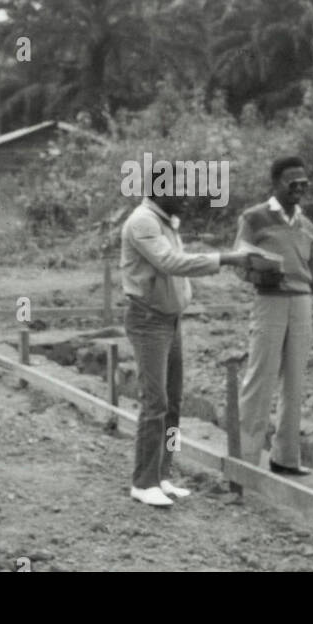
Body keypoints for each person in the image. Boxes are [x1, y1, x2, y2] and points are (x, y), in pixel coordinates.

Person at [120, 183, 251, 506]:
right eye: (179, 191)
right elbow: (171, 262)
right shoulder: (143, 221)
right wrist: (228, 258)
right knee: (155, 402)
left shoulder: (166, 221)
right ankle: (143, 481)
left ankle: (162, 475)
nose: (186, 197)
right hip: (149, 320)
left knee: (173, 402)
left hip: (169, 320)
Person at [234, 155, 313, 476]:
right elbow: (239, 263)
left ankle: (285, 458)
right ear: (276, 184)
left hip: (302, 305)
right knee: (260, 380)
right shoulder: (254, 218)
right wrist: (259, 275)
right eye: (293, 184)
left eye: (304, 184)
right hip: (270, 303)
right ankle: (245, 460)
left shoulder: (307, 227)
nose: (299, 190)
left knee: (294, 382)